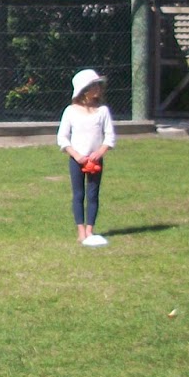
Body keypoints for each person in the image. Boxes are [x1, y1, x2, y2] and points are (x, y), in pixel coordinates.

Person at [57, 68, 116, 247]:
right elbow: (62, 137)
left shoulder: (102, 111)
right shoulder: (71, 111)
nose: (97, 89)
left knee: (93, 194)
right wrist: (76, 155)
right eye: (93, 86)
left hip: (95, 160)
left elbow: (109, 136)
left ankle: (90, 229)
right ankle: (80, 230)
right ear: (84, 90)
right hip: (77, 160)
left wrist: (100, 152)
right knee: (78, 194)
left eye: (98, 86)